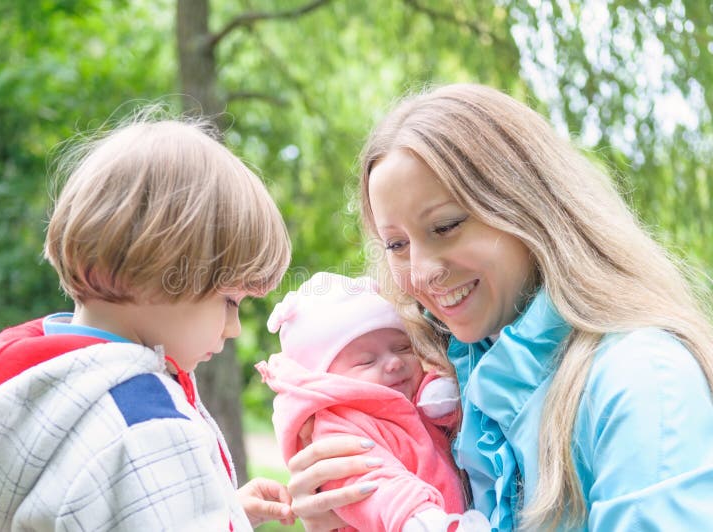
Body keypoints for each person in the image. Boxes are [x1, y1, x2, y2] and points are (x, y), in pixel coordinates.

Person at [284, 83, 713, 531]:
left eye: (446, 226)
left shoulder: (639, 380)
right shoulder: (448, 389)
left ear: (527, 207)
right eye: (396, 244)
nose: (423, 271)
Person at [0, 115, 296, 531]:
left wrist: (222, 512)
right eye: (229, 301)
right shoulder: (146, 424)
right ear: (157, 267)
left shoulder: (27, 385)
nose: (233, 327)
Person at [257, 272, 488, 531]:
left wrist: (440, 404)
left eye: (402, 348)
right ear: (329, 381)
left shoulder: (409, 404)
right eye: (367, 360)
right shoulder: (337, 430)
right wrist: (417, 518)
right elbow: (372, 482)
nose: (394, 362)